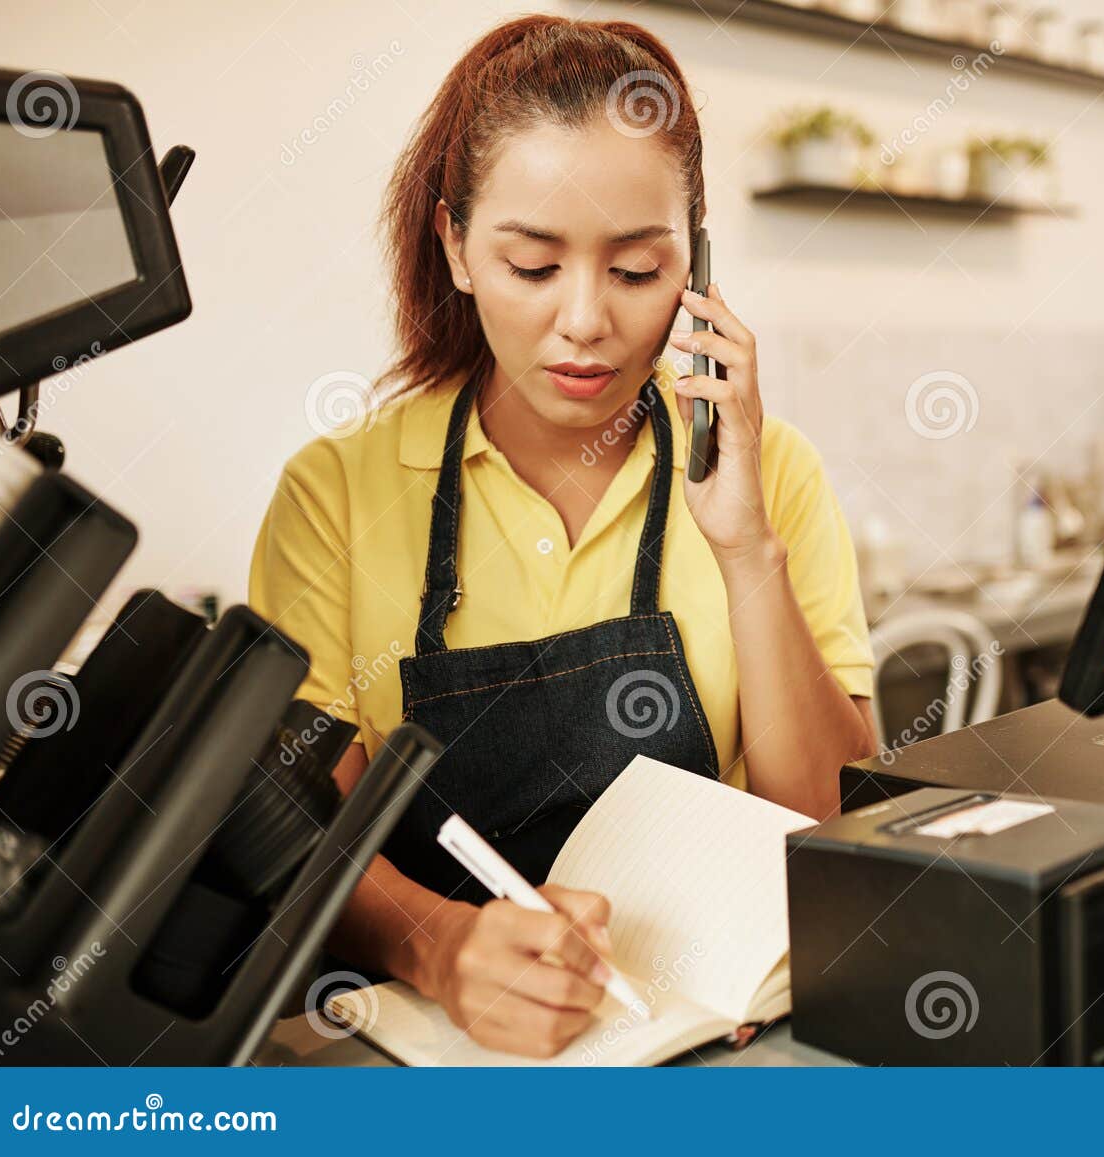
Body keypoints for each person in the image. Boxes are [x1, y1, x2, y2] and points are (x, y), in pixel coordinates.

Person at [248, 15, 878, 1058]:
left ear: (696, 262)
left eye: (636, 271)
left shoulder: (772, 475)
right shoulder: (337, 492)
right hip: (426, 1044)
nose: (584, 320)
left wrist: (743, 547)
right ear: (454, 246)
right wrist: (442, 945)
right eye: (533, 266)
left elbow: (820, 822)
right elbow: (303, 822)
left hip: (708, 1041)